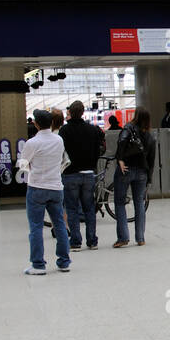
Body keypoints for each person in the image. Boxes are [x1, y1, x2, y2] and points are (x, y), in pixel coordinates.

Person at [19, 109, 71, 275]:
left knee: (35, 227)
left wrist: (32, 167)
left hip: (37, 188)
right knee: (60, 225)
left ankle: (38, 265)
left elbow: (22, 164)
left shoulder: (32, 143)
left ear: (35, 124)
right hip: (56, 187)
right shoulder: (59, 140)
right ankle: (64, 262)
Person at [60, 100, 106, 251]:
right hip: (88, 174)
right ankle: (92, 241)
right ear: (82, 113)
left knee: (72, 208)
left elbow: (61, 152)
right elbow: (99, 148)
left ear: (70, 113)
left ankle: (75, 241)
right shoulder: (92, 129)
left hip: (71, 174)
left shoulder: (64, 131)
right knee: (89, 208)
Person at [111, 108, 155, 247]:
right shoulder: (150, 136)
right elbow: (151, 160)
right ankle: (140, 238)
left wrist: (120, 159)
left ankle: (123, 238)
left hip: (126, 170)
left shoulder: (129, 128)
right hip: (142, 172)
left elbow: (121, 142)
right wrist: (149, 178)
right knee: (139, 203)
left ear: (135, 116)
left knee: (119, 202)